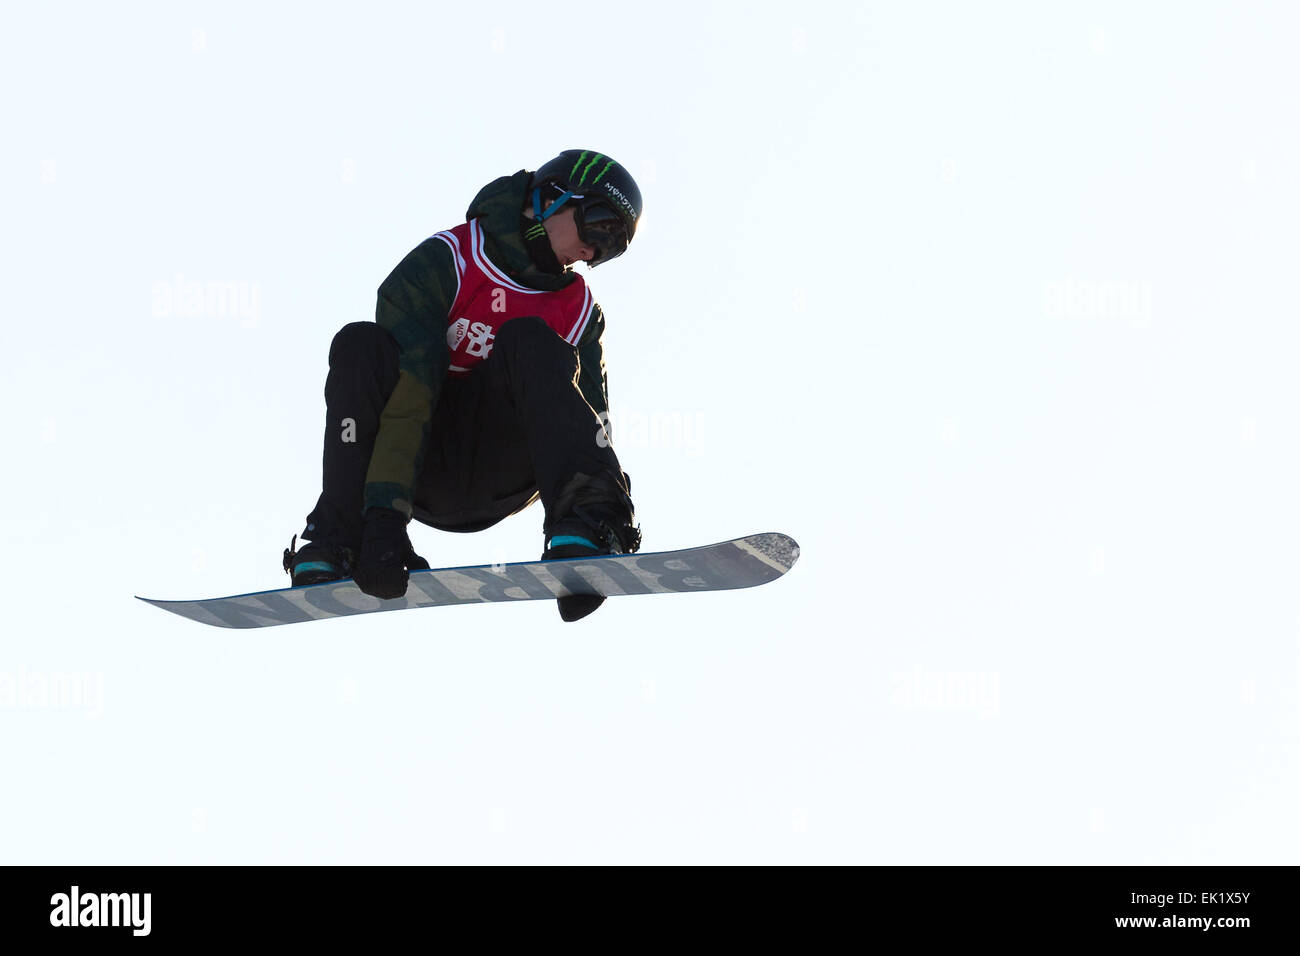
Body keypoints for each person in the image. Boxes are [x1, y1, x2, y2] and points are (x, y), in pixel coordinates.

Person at [283, 149, 643, 622]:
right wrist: (385, 520)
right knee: (359, 344)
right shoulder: (449, 261)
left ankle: (587, 525)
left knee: (530, 338)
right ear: (552, 198)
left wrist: (607, 513)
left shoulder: (579, 312)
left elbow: (593, 423)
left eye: (612, 247)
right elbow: (412, 390)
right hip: (418, 469)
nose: (594, 252)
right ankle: (340, 536)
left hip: (502, 470)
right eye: (598, 226)